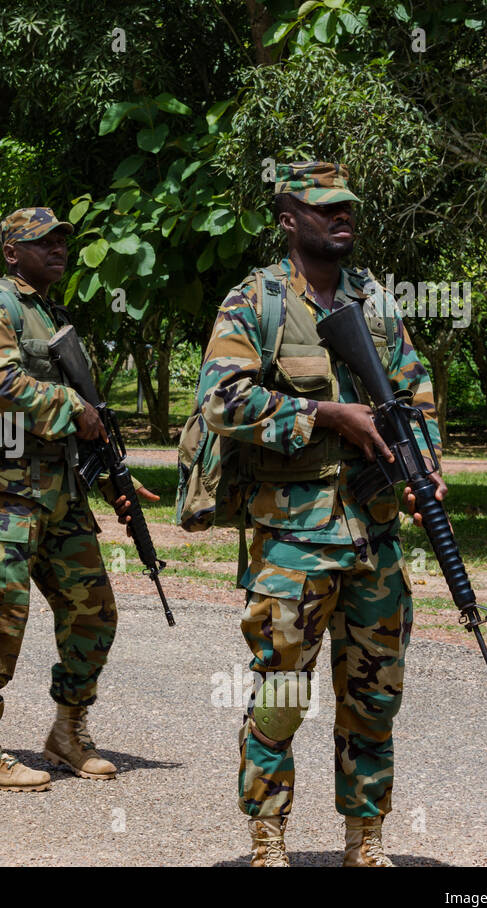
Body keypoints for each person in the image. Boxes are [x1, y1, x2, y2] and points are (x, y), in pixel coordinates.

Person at [197, 161, 443, 867]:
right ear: (288, 219)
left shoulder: (377, 302)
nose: (344, 218)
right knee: (279, 695)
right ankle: (268, 838)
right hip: (293, 539)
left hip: (375, 536)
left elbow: (415, 393)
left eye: (348, 208)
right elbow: (222, 401)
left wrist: (425, 466)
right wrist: (325, 413)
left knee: (373, 698)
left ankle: (365, 840)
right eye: (326, 208)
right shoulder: (255, 301)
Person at [0, 207, 154, 792]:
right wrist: (73, 409)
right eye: (45, 242)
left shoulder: (50, 314)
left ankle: (67, 732)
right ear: (13, 252)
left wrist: (112, 477)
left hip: (61, 497)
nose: (59, 249)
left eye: (64, 240)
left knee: (94, 613)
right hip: (4, 499)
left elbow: (85, 422)